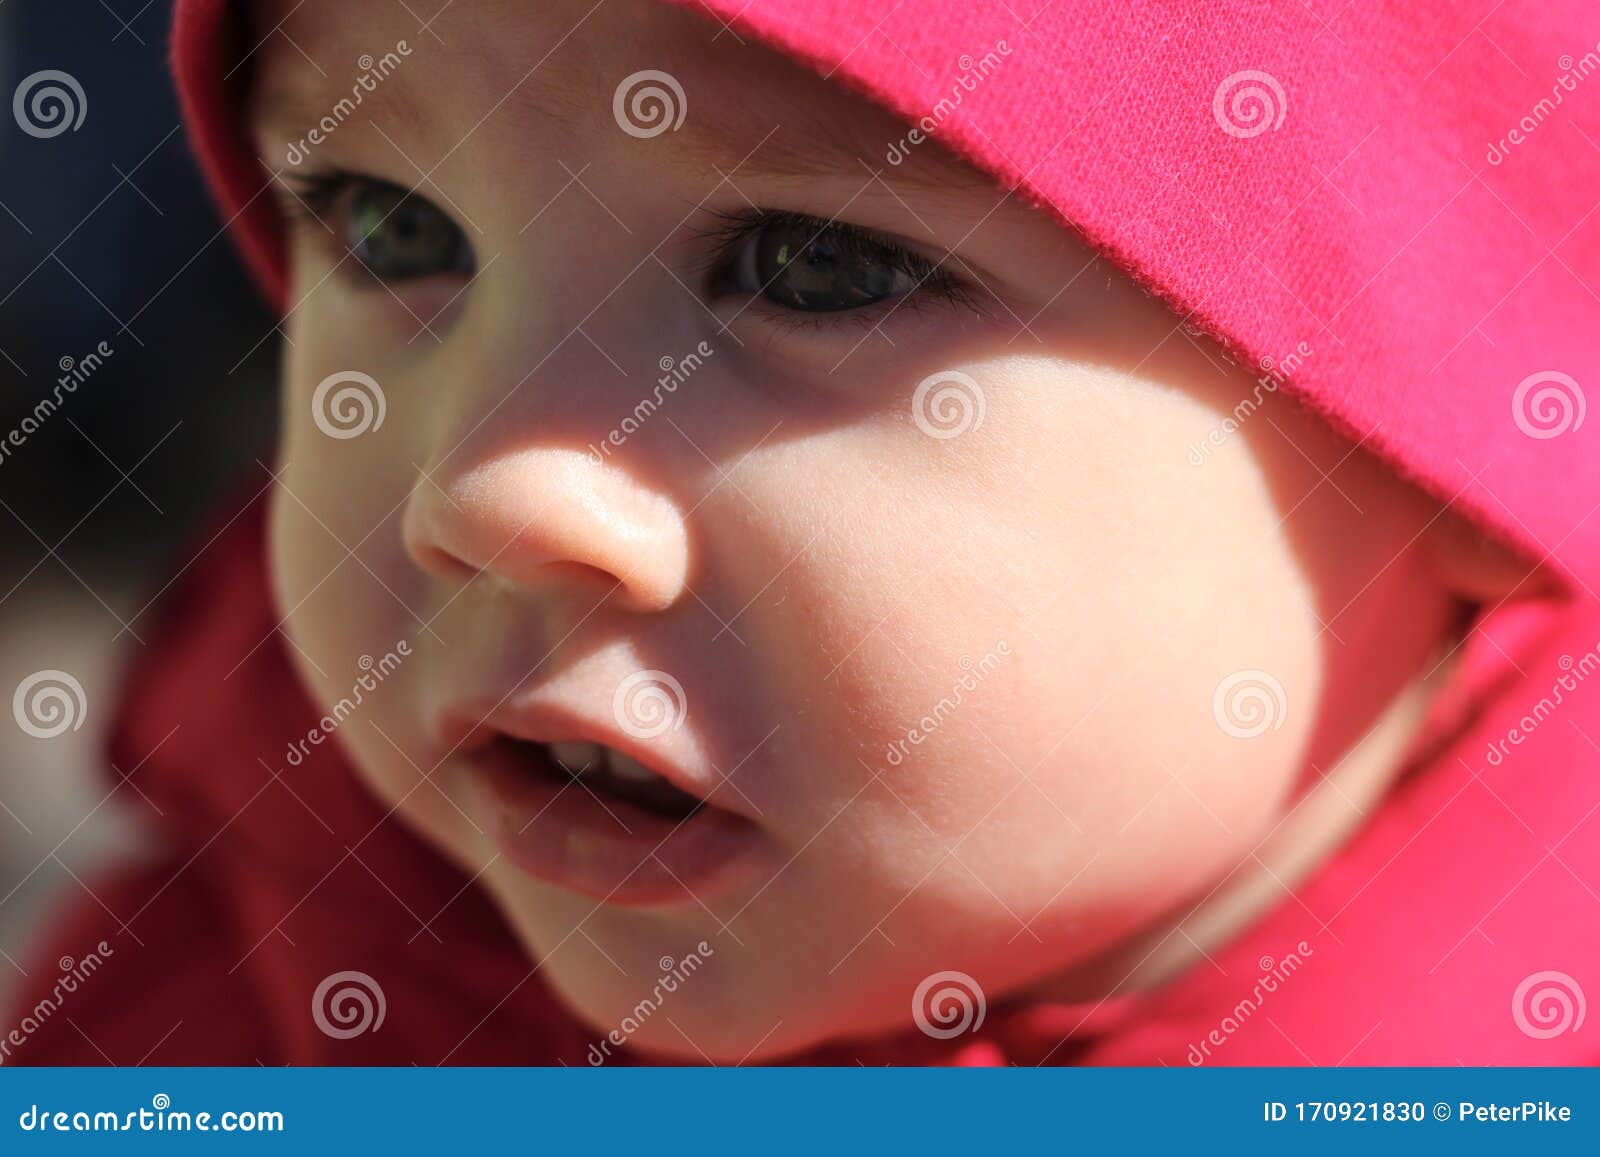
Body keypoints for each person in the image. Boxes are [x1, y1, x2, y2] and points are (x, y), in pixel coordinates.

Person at [6, 0, 1597, 1065]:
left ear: (1464, 469)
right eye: (391, 224)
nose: (481, 489)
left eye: (820, 265)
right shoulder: (222, 1004)